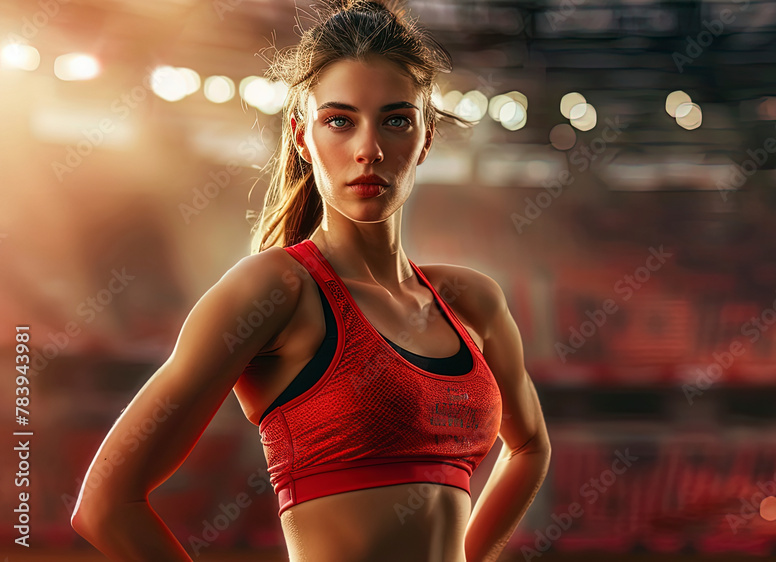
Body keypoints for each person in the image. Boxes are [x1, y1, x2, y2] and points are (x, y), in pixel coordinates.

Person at [69, 1, 551, 560]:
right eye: (339, 120)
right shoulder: (274, 291)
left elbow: (530, 447)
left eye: (396, 119)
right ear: (302, 137)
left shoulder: (473, 301)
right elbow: (106, 504)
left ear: (427, 136)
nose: (368, 149)